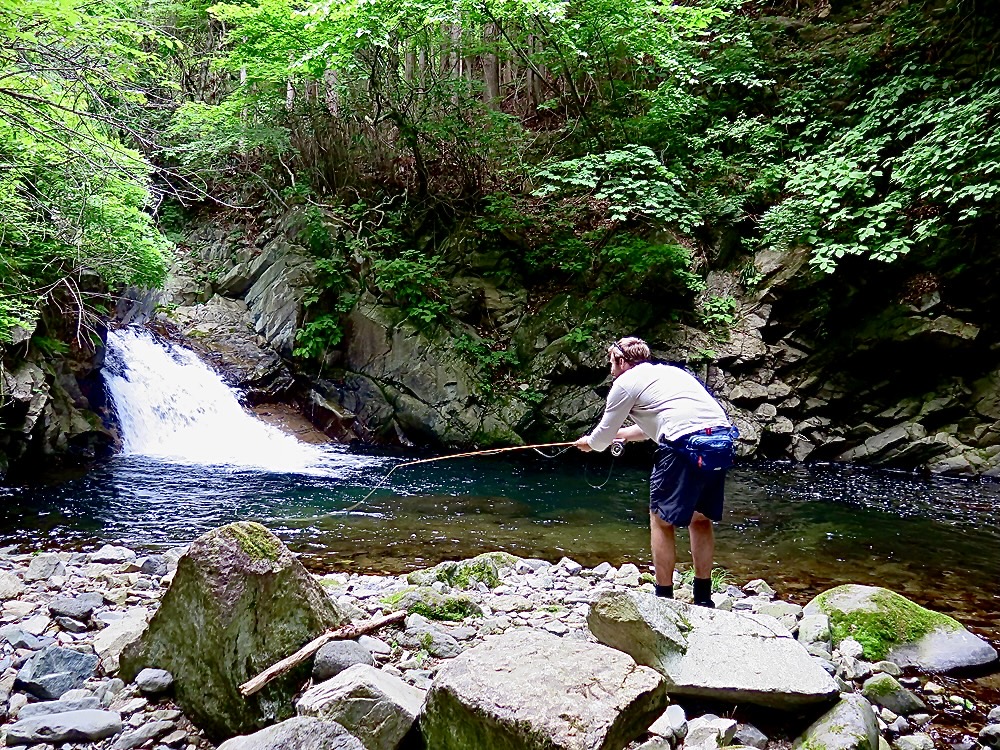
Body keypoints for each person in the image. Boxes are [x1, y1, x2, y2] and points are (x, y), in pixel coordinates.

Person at [574, 336, 736, 608]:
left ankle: (664, 599)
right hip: (718, 441)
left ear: (623, 362)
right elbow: (668, 419)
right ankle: (704, 598)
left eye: (612, 363)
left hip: (683, 446)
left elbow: (602, 437)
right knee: (700, 519)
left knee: (661, 520)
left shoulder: (624, 383)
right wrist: (623, 434)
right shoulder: (671, 373)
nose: (611, 370)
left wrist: (589, 444)